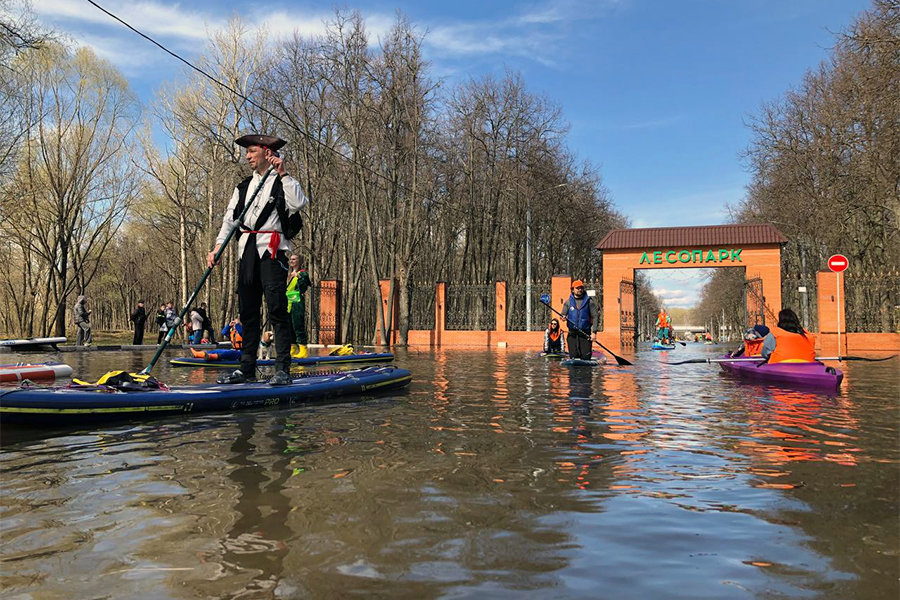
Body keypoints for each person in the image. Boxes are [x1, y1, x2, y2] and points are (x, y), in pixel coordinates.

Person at [208, 134, 308, 385]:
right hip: (247, 252)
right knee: (248, 312)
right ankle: (246, 368)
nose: (247, 156)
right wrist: (218, 246)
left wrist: (283, 173)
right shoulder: (242, 187)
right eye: (247, 152)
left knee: (277, 310)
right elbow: (229, 220)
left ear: (266, 152)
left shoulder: (282, 182)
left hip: (272, 253)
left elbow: (298, 203)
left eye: (252, 151)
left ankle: (282, 369)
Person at [559, 279, 598, 360]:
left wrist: (594, 333)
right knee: (573, 356)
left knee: (585, 357)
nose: (580, 289)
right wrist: (563, 317)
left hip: (585, 334)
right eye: (577, 288)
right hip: (572, 334)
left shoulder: (589, 302)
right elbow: (563, 314)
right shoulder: (568, 302)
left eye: (581, 288)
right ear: (572, 290)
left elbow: (595, 317)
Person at [287, 255, 311, 358]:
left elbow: (303, 287)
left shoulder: (302, 274)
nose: (291, 261)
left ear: (299, 261)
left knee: (298, 324)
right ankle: (292, 348)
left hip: (296, 301)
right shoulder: (287, 274)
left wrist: (299, 277)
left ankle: (303, 349)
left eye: (294, 259)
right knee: (289, 326)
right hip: (287, 301)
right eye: (291, 259)